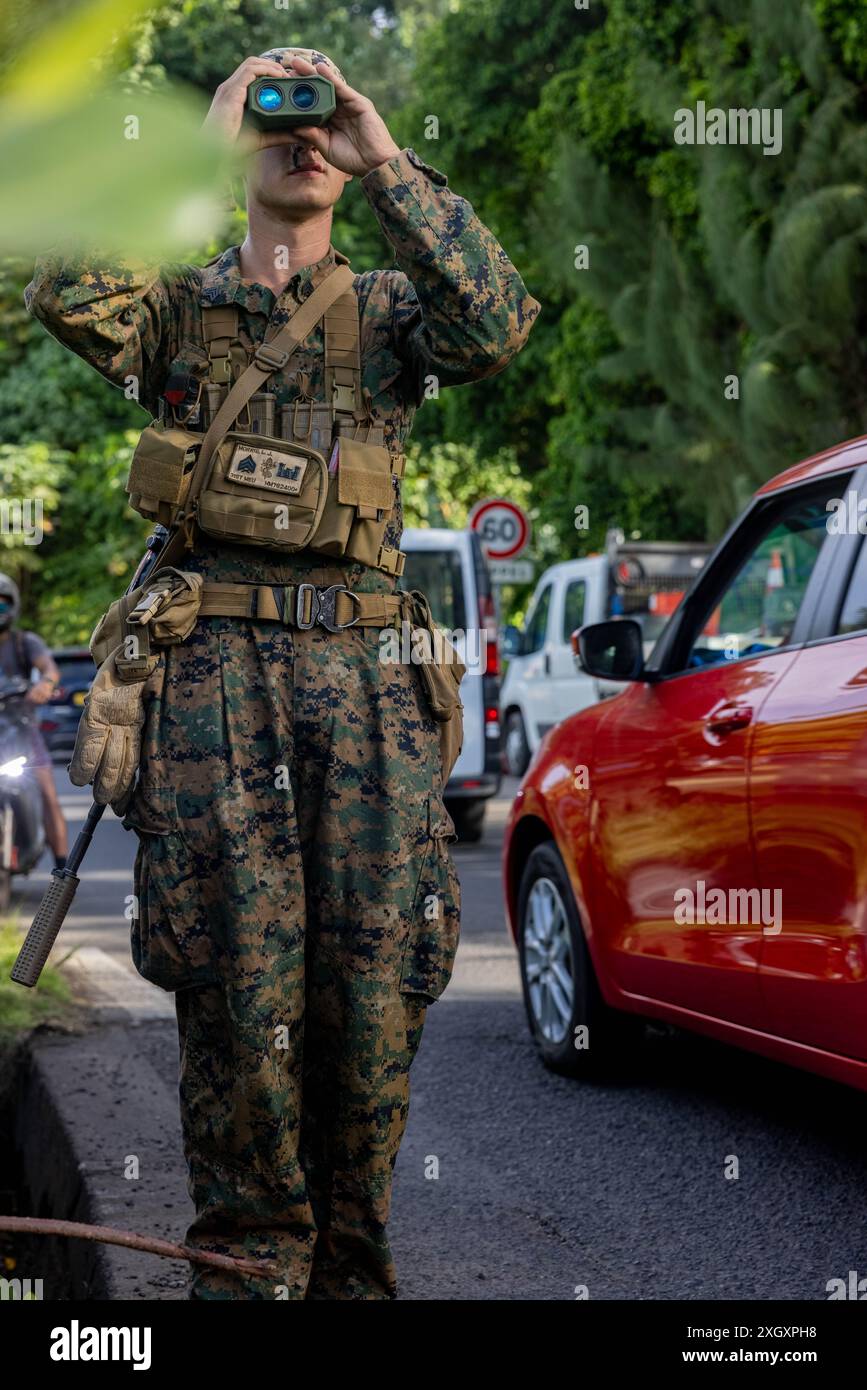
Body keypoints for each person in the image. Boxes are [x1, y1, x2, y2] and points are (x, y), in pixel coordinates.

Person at [25, 45, 539, 1299]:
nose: (301, 139)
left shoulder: (391, 311)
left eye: (322, 124)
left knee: (374, 994)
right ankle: (249, 1270)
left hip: (369, 688)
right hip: (212, 689)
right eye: (279, 121)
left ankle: (354, 1268)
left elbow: (498, 321)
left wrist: (388, 154)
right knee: (232, 984)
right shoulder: (182, 313)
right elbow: (65, 292)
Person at [0, 572, 68, 870]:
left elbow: (49, 669)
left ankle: (63, 868)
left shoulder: (24, 642)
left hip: (22, 733)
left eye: (1, 605)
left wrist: (45, 684)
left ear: (12, 607)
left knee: (48, 796)